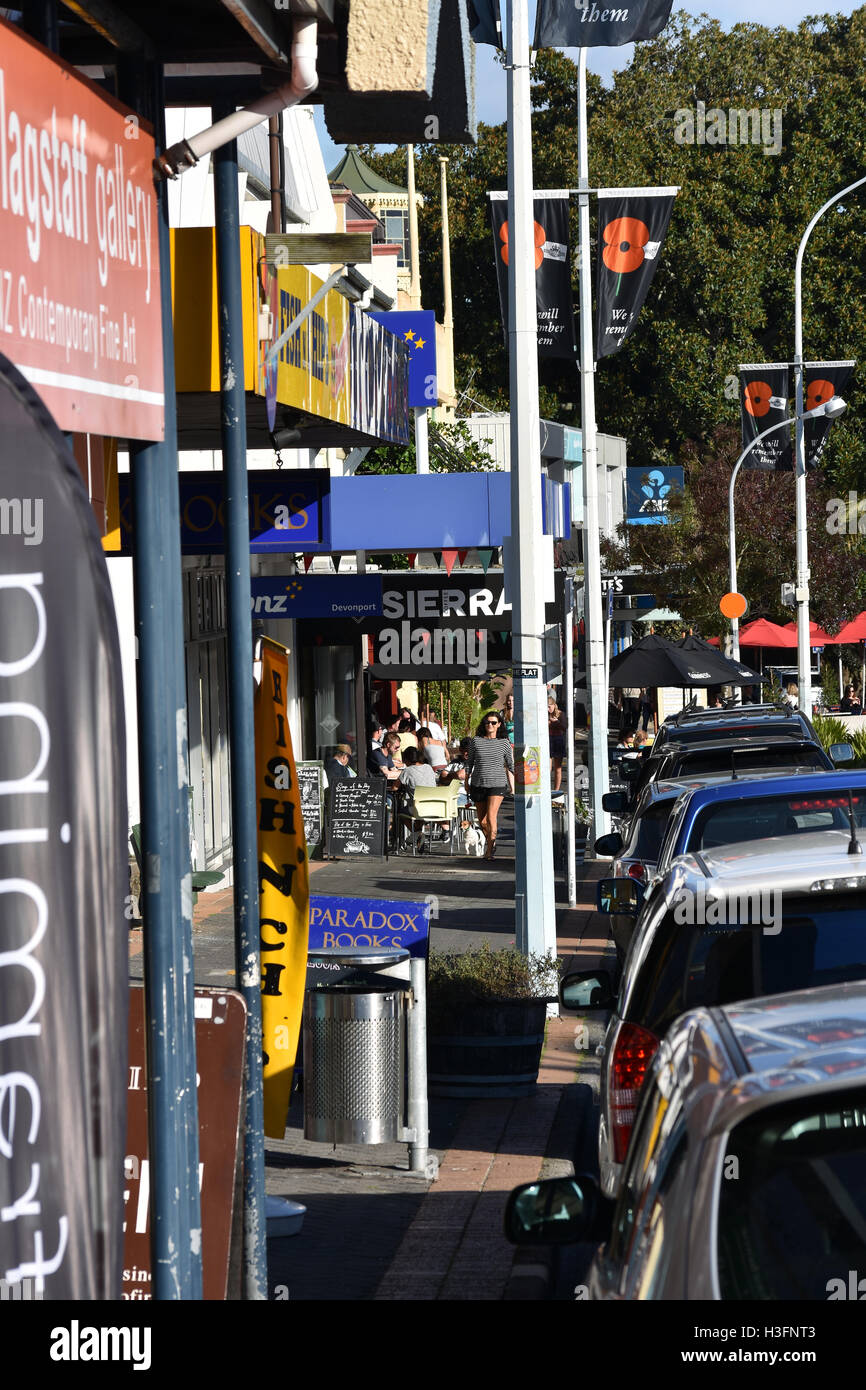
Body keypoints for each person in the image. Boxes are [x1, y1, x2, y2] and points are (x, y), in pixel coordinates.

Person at [466, 713, 515, 860]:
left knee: (491, 817)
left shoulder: (504, 743)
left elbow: (511, 764)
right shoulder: (476, 741)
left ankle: (489, 851)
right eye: (487, 723)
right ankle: (491, 843)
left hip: (497, 784)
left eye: (494, 723)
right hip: (478, 783)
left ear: (499, 724)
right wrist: (466, 781)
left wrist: (520, 779)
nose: (490, 725)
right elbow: (470, 763)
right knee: (482, 821)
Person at [548, 697, 566, 793]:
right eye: (546, 707)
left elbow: (564, 728)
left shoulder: (560, 714)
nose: (548, 709)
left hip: (558, 740)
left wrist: (556, 722)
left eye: (549, 707)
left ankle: (556, 790)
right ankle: (546, 788)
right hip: (548, 740)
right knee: (548, 767)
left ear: (554, 705)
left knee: (558, 768)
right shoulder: (544, 714)